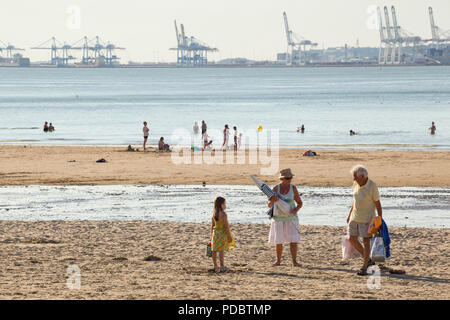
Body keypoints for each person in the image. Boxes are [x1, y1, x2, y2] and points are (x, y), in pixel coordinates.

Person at [346, 164, 383, 276]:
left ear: (362, 176)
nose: (353, 179)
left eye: (355, 177)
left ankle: (364, 266)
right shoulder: (356, 184)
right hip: (354, 217)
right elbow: (355, 200)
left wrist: (379, 219)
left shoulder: (372, 186)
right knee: (351, 239)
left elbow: (378, 203)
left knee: (366, 242)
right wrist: (349, 214)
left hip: (367, 219)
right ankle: (369, 260)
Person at [267, 168, 303, 267]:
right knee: (278, 241)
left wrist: (295, 210)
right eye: (287, 178)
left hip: (291, 217)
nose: (289, 180)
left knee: (293, 240)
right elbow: (269, 204)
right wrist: (272, 200)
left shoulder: (293, 188)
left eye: (290, 178)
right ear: (282, 179)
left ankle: (294, 261)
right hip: (278, 217)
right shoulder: (275, 189)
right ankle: (278, 261)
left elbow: (300, 203)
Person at [210, 196, 234, 272]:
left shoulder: (214, 214)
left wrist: (211, 235)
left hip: (215, 234)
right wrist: (229, 236)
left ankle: (215, 266)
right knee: (221, 250)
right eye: (224, 204)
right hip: (221, 234)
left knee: (214, 250)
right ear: (220, 204)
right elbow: (226, 226)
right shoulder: (223, 214)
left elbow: (212, 225)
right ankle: (222, 265)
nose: (225, 205)